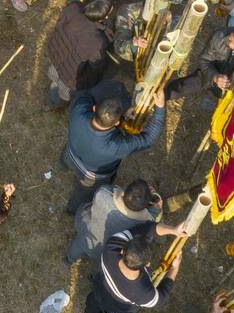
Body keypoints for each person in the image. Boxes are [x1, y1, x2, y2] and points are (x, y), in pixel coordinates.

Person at [62, 83, 167, 214]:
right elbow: (148, 138)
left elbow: (88, 94)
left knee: (66, 160)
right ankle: (72, 210)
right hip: (90, 175)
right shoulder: (116, 147)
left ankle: (62, 165)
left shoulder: (79, 110)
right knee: (83, 193)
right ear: (117, 122)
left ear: (94, 108)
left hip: (71, 153)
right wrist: (160, 108)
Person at [84, 223, 180, 313]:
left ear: (123, 251)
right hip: (118, 311)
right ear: (147, 265)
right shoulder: (143, 293)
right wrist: (174, 269)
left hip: (100, 291)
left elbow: (145, 229)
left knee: (93, 302)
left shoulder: (112, 245)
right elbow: (161, 297)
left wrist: (174, 229)